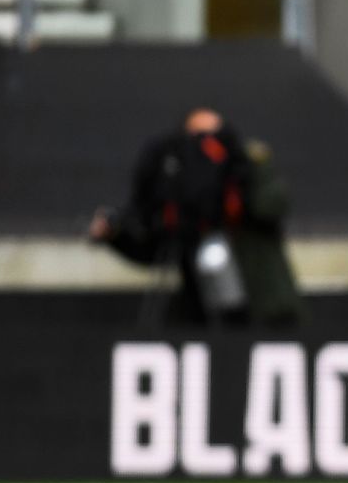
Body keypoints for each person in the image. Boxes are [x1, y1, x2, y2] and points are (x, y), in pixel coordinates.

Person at [89, 108, 306, 328]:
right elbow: (155, 247)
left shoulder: (245, 166)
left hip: (265, 312)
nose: (204, 149)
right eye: (196, 140)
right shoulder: (176, 183)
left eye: (212, 137)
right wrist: (117, 235)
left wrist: (237, 169)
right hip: (200, 315)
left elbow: (272, 205)